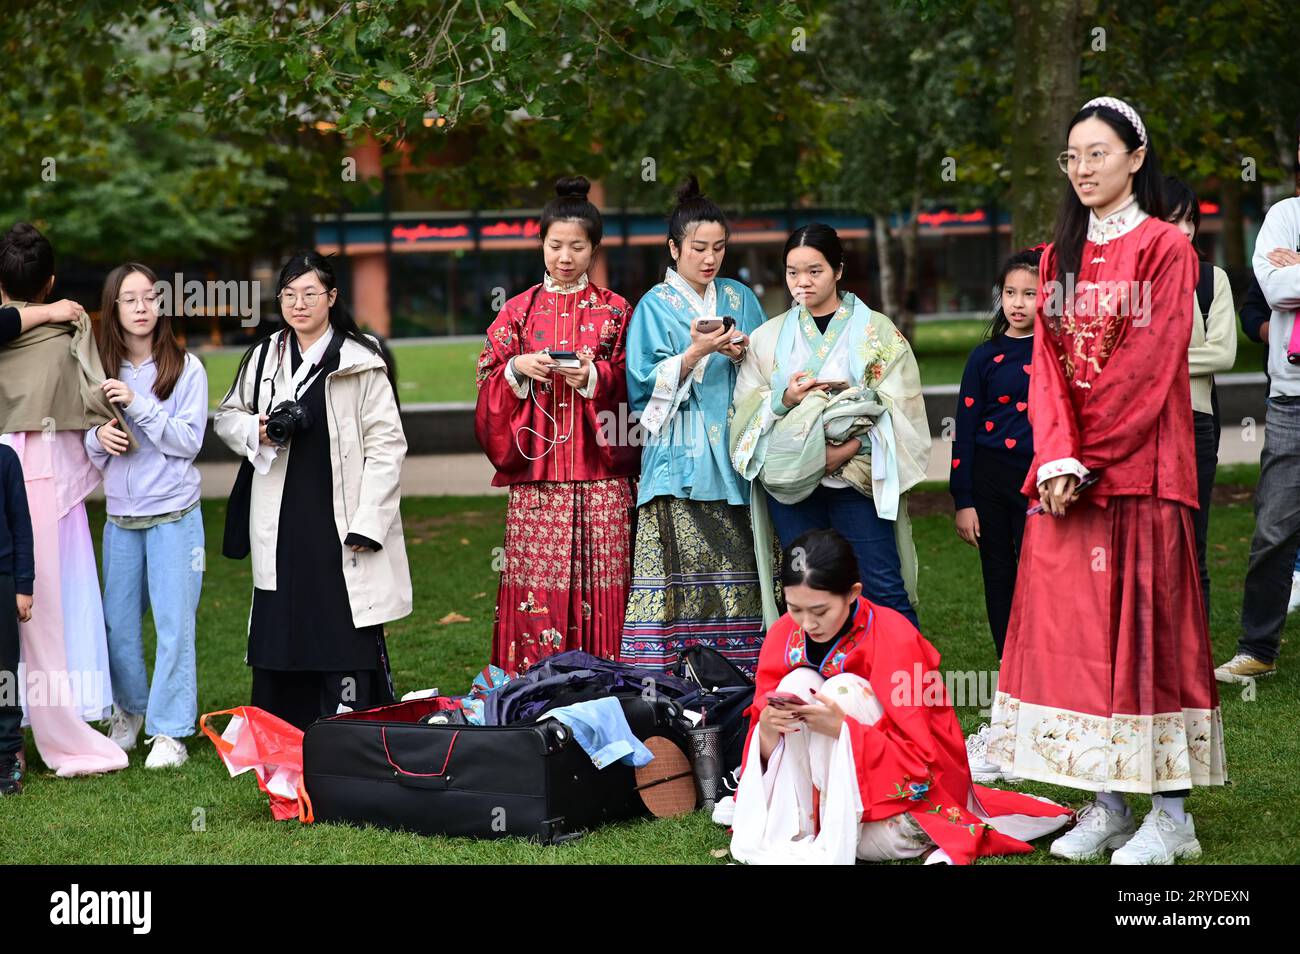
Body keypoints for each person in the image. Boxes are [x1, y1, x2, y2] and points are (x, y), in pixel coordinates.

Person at [986, 97, 1226, 865]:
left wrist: (1085, 461)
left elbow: (1147, 370)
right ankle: (1110, 802)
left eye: (1098, 153)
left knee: (1148, 640)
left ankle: (1172, 817)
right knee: (1085, 646)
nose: (1083, 168)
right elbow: (1048, 367)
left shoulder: (1165, 249)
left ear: (1135, 158)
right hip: (1069, 479)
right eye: (1073, 156)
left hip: (1142, 474)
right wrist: (1056, 458)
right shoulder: (1055, 257)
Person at [724, 529, 1071, 865]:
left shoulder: (894, 637)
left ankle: (846, 824)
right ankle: (810, 823)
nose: (807, 623)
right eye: (794, 608)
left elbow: (926, 755)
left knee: (842, 691)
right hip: (819, 796)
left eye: (819, 611)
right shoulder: (783, 634)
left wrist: (844, 730)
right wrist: (768, 729)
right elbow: (761, 739)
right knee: (797, 683)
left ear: (853, 593)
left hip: (897, 795)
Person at [215, 250, 411, 730]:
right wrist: (256, 430)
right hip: (279, 513)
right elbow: (227, 416)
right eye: (289, 295)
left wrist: (370, 522)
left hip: (341, 516)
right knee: (282, 619)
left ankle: (348, 727)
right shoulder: (264, 355)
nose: (299, 304)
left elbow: (387, 446)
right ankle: (280, 727)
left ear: (332, 297)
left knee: (340, 620)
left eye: (310, 294)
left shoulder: (361, 358)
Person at [474, 176, 638, 674]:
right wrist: (516, 369)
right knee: (537, 590)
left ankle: (609, 684)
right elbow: (486, 382)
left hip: (602, 477)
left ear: (594, 249)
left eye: (577, 247)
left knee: (605, 584)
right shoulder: (516, 312)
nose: (565, 257)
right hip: (538, 479)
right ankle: (533, 687)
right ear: (542, 244)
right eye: (555, 245)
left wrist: (596, 376)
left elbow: (638, 384)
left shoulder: (617, 312)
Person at [731, 223, 930, 630]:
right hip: (793, 488)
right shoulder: (768, 337)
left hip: (857, 482)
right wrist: (784, 399)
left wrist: (849, 449)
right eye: (792, 272)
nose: (802, 282)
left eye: (814, 271)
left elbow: (900, 405)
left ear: (838, 270)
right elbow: (745, 410)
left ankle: (902, 671)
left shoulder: (877, 333)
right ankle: (823, 670)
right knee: (809, 591)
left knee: (881, 586)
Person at [620, 177, 767, 675]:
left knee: (741, 568)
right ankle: (668, 679)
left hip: (736, 451)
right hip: (678, 458)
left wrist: (742, 353)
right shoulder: (653, 306)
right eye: (699, 248)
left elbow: (768, 368)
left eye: (719, 248)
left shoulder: (740, 297)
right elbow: (642, 388)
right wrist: (695, 354)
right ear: (673, 248)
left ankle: (743, 673)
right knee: (676, 578)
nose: (710, 258)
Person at [0, 223, 128, 778]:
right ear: (50, 282)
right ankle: (53, 717)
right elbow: (91, 402)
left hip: (13, 464)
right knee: (53, 603)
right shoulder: (66, 335)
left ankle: (12, 733)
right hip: (45, 470)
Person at [85, 264, 208, 768]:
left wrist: (139, 404)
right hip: (120, 519)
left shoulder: (186, 368)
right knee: (117, 626)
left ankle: (170, 731)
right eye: (129, 299)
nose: (141, 307)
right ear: (113, 308)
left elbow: (189, 442)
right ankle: (129, 714)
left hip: (175, 516)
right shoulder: (98, 370)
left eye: (150, 297)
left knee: (175, 626)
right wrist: (98, 438)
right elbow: (83, 442)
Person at [1216, 115, 1300, 680]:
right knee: (1274, 529)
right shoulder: (1283, 216)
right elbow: (1276, 289)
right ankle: (1258, 650)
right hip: (1291, 400)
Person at [949, 246, 1041, 657]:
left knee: (1040, 572)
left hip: (1038, 478)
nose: (1017, 303)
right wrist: (963, 500)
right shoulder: (984, 357)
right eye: (1010, 293)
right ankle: (1009, 659)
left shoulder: (1056, 354)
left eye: (1029, 294)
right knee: (999, 572)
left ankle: (1045, 658)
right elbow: (963, 430)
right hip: (989, 479)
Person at [1163, 177, 1237, 623]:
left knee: (1193, 545)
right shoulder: (1129, 282)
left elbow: (1222, 353)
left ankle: (1193, 654)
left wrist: (1155, 361)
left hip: (1194, 420)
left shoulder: (1211, 280)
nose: (1185, 230)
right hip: (1139, 426)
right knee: (1143, 546)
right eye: (1174, 219)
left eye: (1190, 219)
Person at [0, 440, 32, 793]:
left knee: (3, 674)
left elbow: (21, 526)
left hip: (3, 580)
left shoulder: (5, 459)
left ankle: (7, 757)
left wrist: (23, 585)